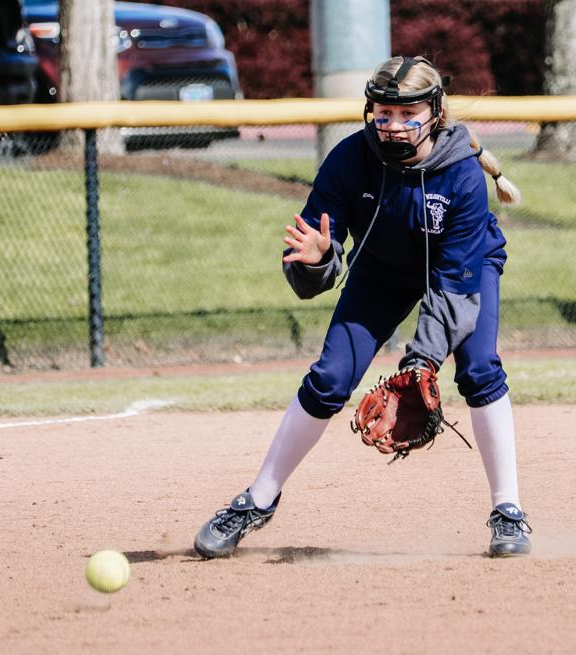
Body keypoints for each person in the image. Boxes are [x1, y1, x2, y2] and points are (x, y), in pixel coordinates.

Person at [194, 55, 531, 558]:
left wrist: (422, 360)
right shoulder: (350, 159)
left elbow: (454, 286)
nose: (393, 125)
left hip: (464, 269)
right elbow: (314, 260)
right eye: (383, 113)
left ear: (435, 113)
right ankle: (256, 500)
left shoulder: (461, 175)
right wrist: (317, 261)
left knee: (479, 368)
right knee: (330, 377)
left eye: (407, 113)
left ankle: (509, 512)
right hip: (382, 270)